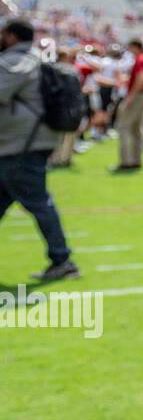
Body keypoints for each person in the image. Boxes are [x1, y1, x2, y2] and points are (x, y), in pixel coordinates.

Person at [0, 18, 78, 281]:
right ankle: (62, 259)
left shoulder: (15, 62)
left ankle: (62, 259)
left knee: (38, 202)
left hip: (21, 145)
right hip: (21, 143)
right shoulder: (32, 59)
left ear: (11, 37)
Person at [113, 38, 143, 172]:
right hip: (142, 96)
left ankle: (126, 161)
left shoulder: (141, 60)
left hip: (137, 97)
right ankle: (136, 160)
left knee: (124, 127)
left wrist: (131, 97)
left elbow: (142, 78)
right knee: (136, 130)